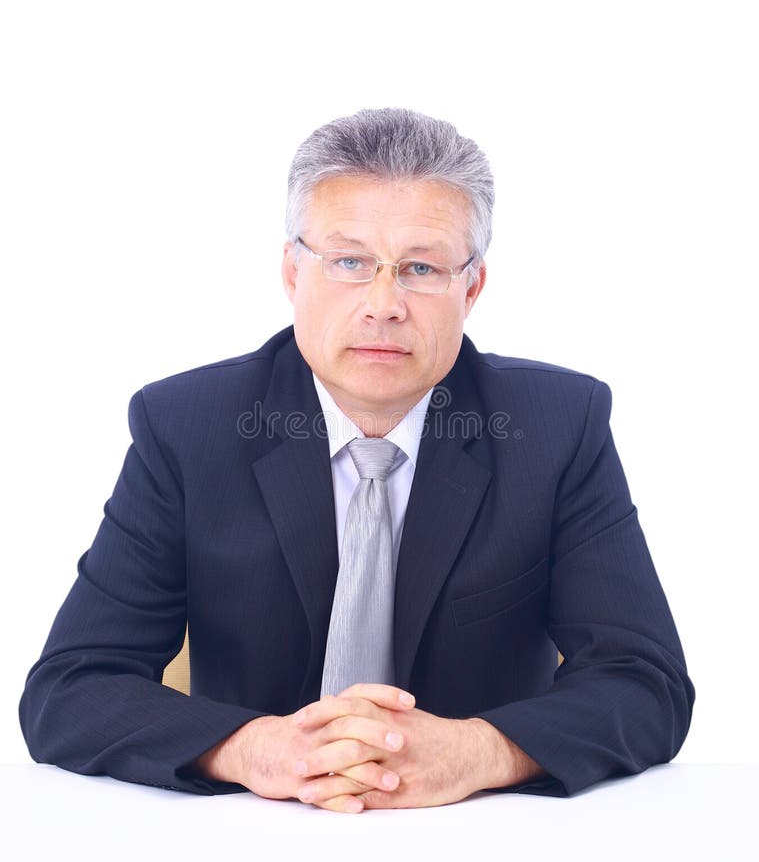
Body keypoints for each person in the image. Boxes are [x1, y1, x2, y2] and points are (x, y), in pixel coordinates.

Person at [19, 108, 694, 813]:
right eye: (348, 262)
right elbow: (70, 689)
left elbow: (646, 684)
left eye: (421, 268)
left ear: (471, 287)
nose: (383, 305)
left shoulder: (557, 427)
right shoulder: (186, 426)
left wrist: (481, 750)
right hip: (248, 836)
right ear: (291, 271)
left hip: (479, 836)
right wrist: (250, 748)